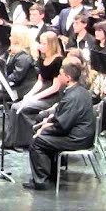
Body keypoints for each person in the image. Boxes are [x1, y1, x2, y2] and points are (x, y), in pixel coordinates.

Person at [24, 59, 97, 190]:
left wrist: (44, 129)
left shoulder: (72, 97)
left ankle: (41, 181)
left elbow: (62, 126)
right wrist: (49, 121)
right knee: (41, 133)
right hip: (81, 134)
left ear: (68, 77)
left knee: (38, 141)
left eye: (60, 74)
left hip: (77, 139)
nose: (58, 76)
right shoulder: (80, 91)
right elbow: (64, 116)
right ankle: (50, 175)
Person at [5, 31, 64, 152]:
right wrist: (29, 94)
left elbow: (55, 87)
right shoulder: (43, 59)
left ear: (51, 45)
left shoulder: (58, 61)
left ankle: (23, 142)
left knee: (23, 108)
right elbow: (39, 82)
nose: (40, 46)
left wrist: (35, 98)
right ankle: (11, 141)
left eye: (43, 44)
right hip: (43, 90)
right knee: (15, 107)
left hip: (52, 96)